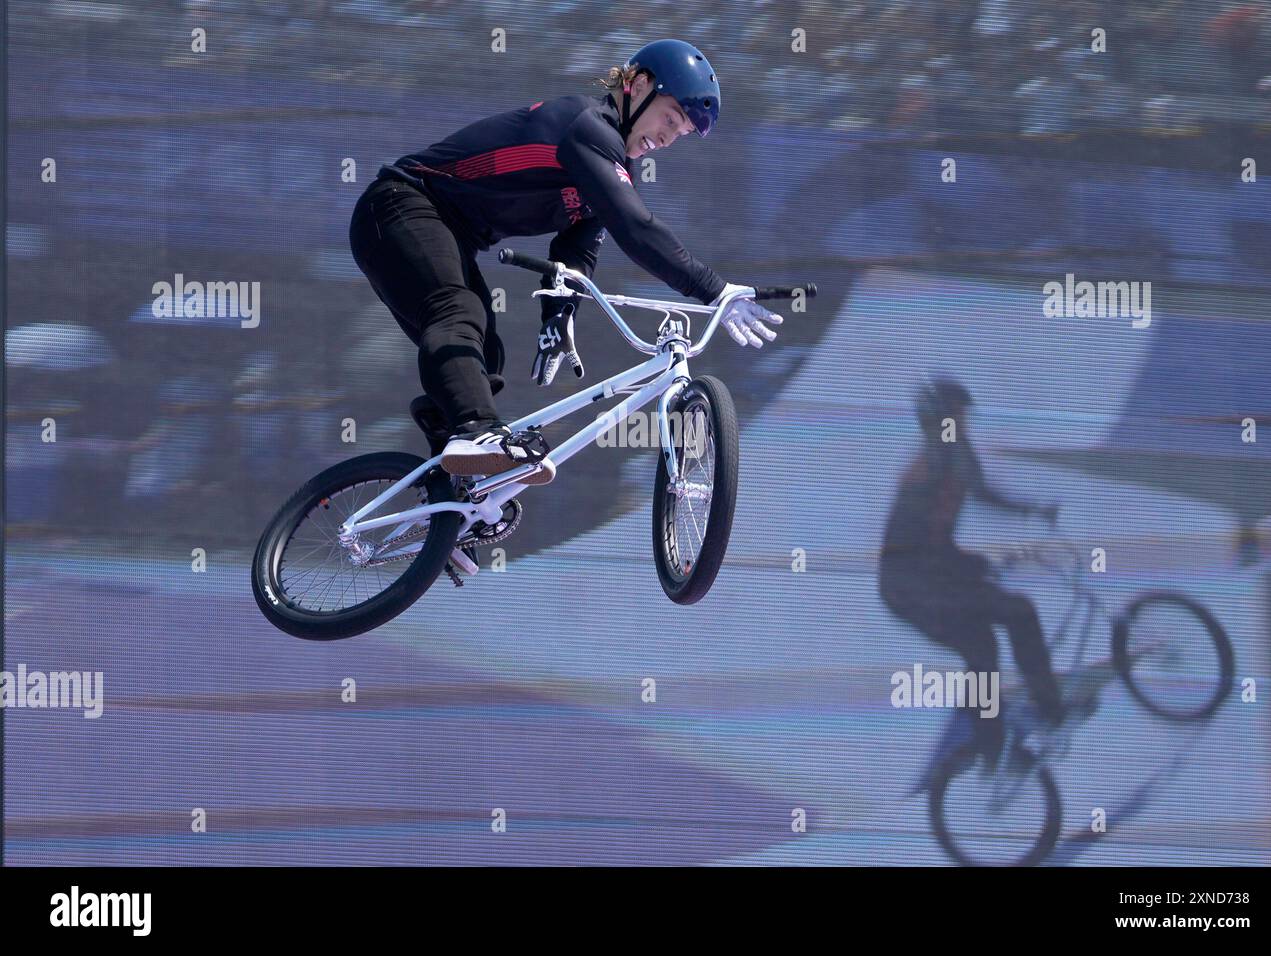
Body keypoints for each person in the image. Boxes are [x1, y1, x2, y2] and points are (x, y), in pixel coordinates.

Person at [348, 39, 782, 485]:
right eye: (670, 118)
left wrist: (560, 314)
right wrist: (715, 290)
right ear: (637, 84)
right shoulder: (586, 127)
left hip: (445, 230)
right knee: (457, 313)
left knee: (485, 356)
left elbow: (574, 253)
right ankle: (476, 434)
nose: (668, 138)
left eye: (680, 134)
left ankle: (449, 505)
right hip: (400, 205)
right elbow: (635, 228)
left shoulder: (612, 165)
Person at [878, 378, 1064, 769]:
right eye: (958, 415)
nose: (964, 422)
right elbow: (913, 552)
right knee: (1014, 615)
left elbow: (981, 495)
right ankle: (1025, 721)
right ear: (938, 420)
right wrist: (973, 566)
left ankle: (990, 730)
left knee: (985, 643)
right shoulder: (927, 469)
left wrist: (1030, 513)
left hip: (929, 577)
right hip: (910, 589)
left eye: (964, 416)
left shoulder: (955, 454)